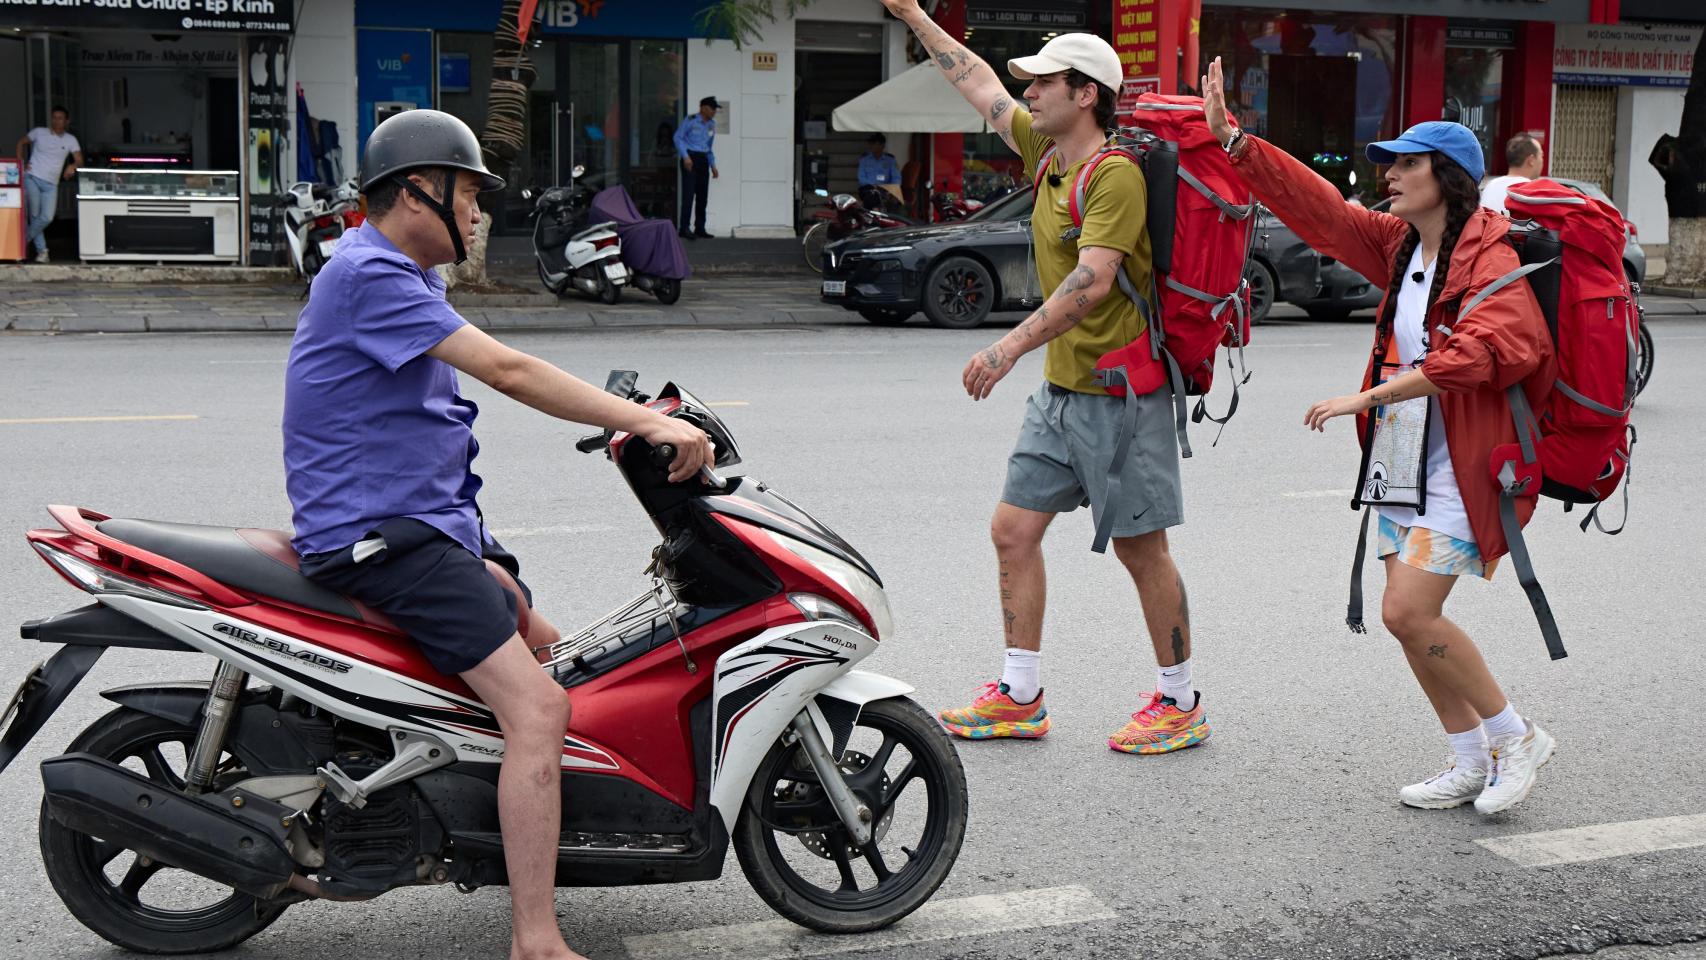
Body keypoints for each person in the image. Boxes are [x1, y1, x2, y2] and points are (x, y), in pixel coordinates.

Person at [283, 110, 711, 960]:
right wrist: (647, 422)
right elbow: (510, 370)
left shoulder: (405, 274)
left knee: (553, 649)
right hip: (383, 538)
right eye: (470, 195)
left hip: (419, 528)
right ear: (418, 191)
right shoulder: (371, 274)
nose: (479, 214)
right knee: (540, 708)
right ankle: (535, 940)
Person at [1203, 57, 1558, 813]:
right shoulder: (1402, 244)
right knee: (1408, 620)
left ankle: (1516, 735)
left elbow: (1491, 352)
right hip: (1401, 452)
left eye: (1406, 164)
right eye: (1389, 163)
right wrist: (1238, 144)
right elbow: (1322, 211)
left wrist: (1369, 395)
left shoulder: (1491, 254)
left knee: (1406, 611)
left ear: (1448, 178)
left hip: (1465, 461)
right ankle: (1470, 758)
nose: (1389, 174)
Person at [880, 0, 1208, 756]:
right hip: (1061, 395)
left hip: (1121, 399)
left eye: (1044, 82)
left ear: (1086, 94)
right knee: (1013, 531)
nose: (1027, 93)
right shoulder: (1046, 151)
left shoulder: (1114, 175)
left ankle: (1181, 701)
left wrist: (1005, 350)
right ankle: (1020, 695)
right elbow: (977, 83)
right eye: (1029, 83)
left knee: (1141, 551)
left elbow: (1092, 283)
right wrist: (912, 14)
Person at [14, 106, 82, 263]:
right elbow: (21, 142)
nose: (56, 121)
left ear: (66, 121)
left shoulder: (70, 139)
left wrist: (72, 166)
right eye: (54, 117)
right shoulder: (39, 132)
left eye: (60, 118)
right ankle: (42, 251)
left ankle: (22, 241)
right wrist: (21, 163)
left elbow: (79, 160)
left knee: (47, 217)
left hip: (51, 184)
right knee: (35, 215)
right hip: (32, 178)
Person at [673, 96, 720, 239]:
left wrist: (713, 165)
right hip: (690, 159)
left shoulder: (711, 125)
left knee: (702, 196)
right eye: (712, 108)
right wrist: (685, 156)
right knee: (688, 195)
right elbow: (678, 137)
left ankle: (700, 228)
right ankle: (684, 228)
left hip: (703, 160)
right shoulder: (691, 120)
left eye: (715, 109)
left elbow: (709, 147)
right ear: (703, 108)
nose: (714, 112)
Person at [1479, 134, 1545, 213]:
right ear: (1531, 160)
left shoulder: (1490, 186)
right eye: (1541, 156)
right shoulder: (1534, 192)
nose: (1542, 160)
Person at [858, 132, 902, 212]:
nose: (871, 146)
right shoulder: (864, 160)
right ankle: (876, 211)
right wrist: (874, 185)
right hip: (868, 189)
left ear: (882, 145)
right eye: (870, 143)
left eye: (874, 143)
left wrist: (890, 188)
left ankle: (877, 212)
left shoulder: (890, 160)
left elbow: (896, 178)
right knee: (871, 194)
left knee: (895, 199)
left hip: (885, 189)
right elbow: (861, 178)